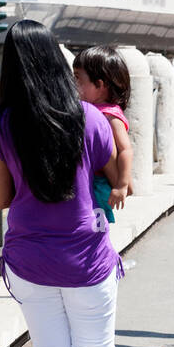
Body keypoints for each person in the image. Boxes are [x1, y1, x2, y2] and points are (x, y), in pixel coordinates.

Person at [0, 19, 124, 347]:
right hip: (86, 259)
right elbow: (113, 168)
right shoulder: (88, 117)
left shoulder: (1, 124)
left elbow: (1, 199)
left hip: (29, 261)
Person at [73, 45, 133, 223]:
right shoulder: (90, 109)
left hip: (99, 183)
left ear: (99, 84)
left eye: (77, 78)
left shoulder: (109, 115)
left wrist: (122, 185)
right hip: (88, 178)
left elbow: (126, 150)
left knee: (95, 226)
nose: (73, 84)